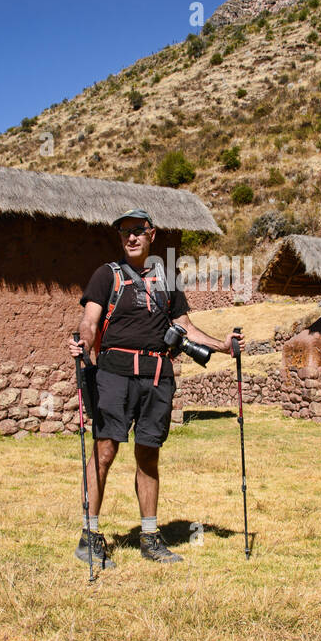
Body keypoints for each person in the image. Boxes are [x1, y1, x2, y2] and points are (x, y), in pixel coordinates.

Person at [68, 209, 241, 566]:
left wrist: (223, 346)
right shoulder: (107, 275)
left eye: (137, 231)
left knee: (149, 454)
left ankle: (149, 536)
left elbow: (185, 327)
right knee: (104, 452)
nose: (130, 238)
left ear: (152, 234)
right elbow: (89, 320)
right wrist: (84, 344)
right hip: (114, 375)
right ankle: (90, 535)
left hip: (158, 376)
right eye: (124, 233)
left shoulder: (167, 281)